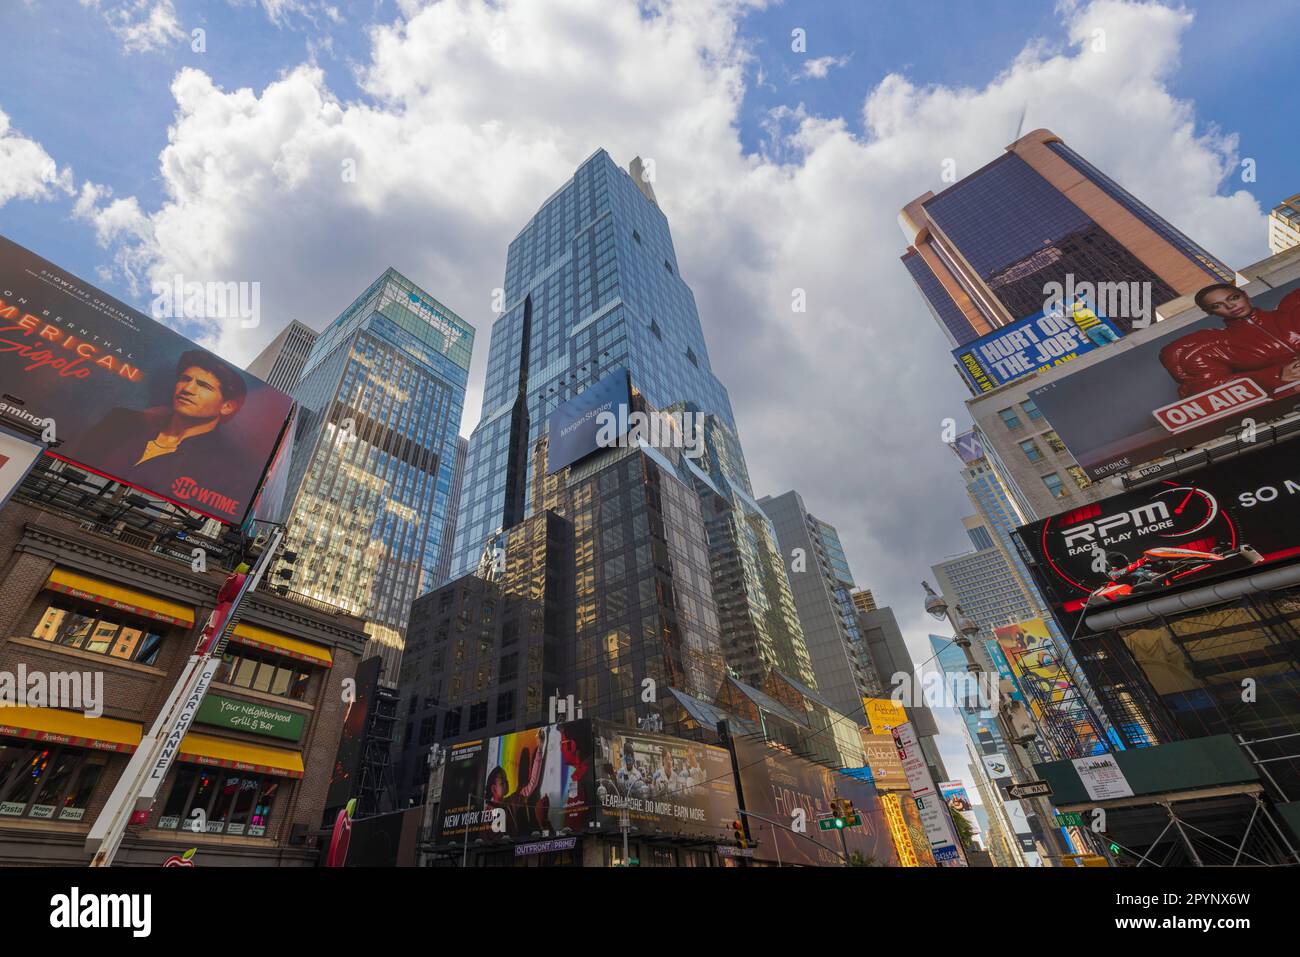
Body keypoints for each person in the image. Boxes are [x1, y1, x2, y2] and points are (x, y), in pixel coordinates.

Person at [74, 350, 248, 491]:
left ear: (227, 406)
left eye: (203, 386)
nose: (187, 389)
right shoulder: (120, 421)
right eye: (185, 379)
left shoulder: (225, 468)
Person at [1160, 283, 1300, 399]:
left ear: (1245, 295)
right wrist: (1276, 375)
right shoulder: (1215, 345)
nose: (1230, 306)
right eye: (1217, 306)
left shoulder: (1290, 312)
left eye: (1234, 298)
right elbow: (1202, 389)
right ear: (1208, 312)